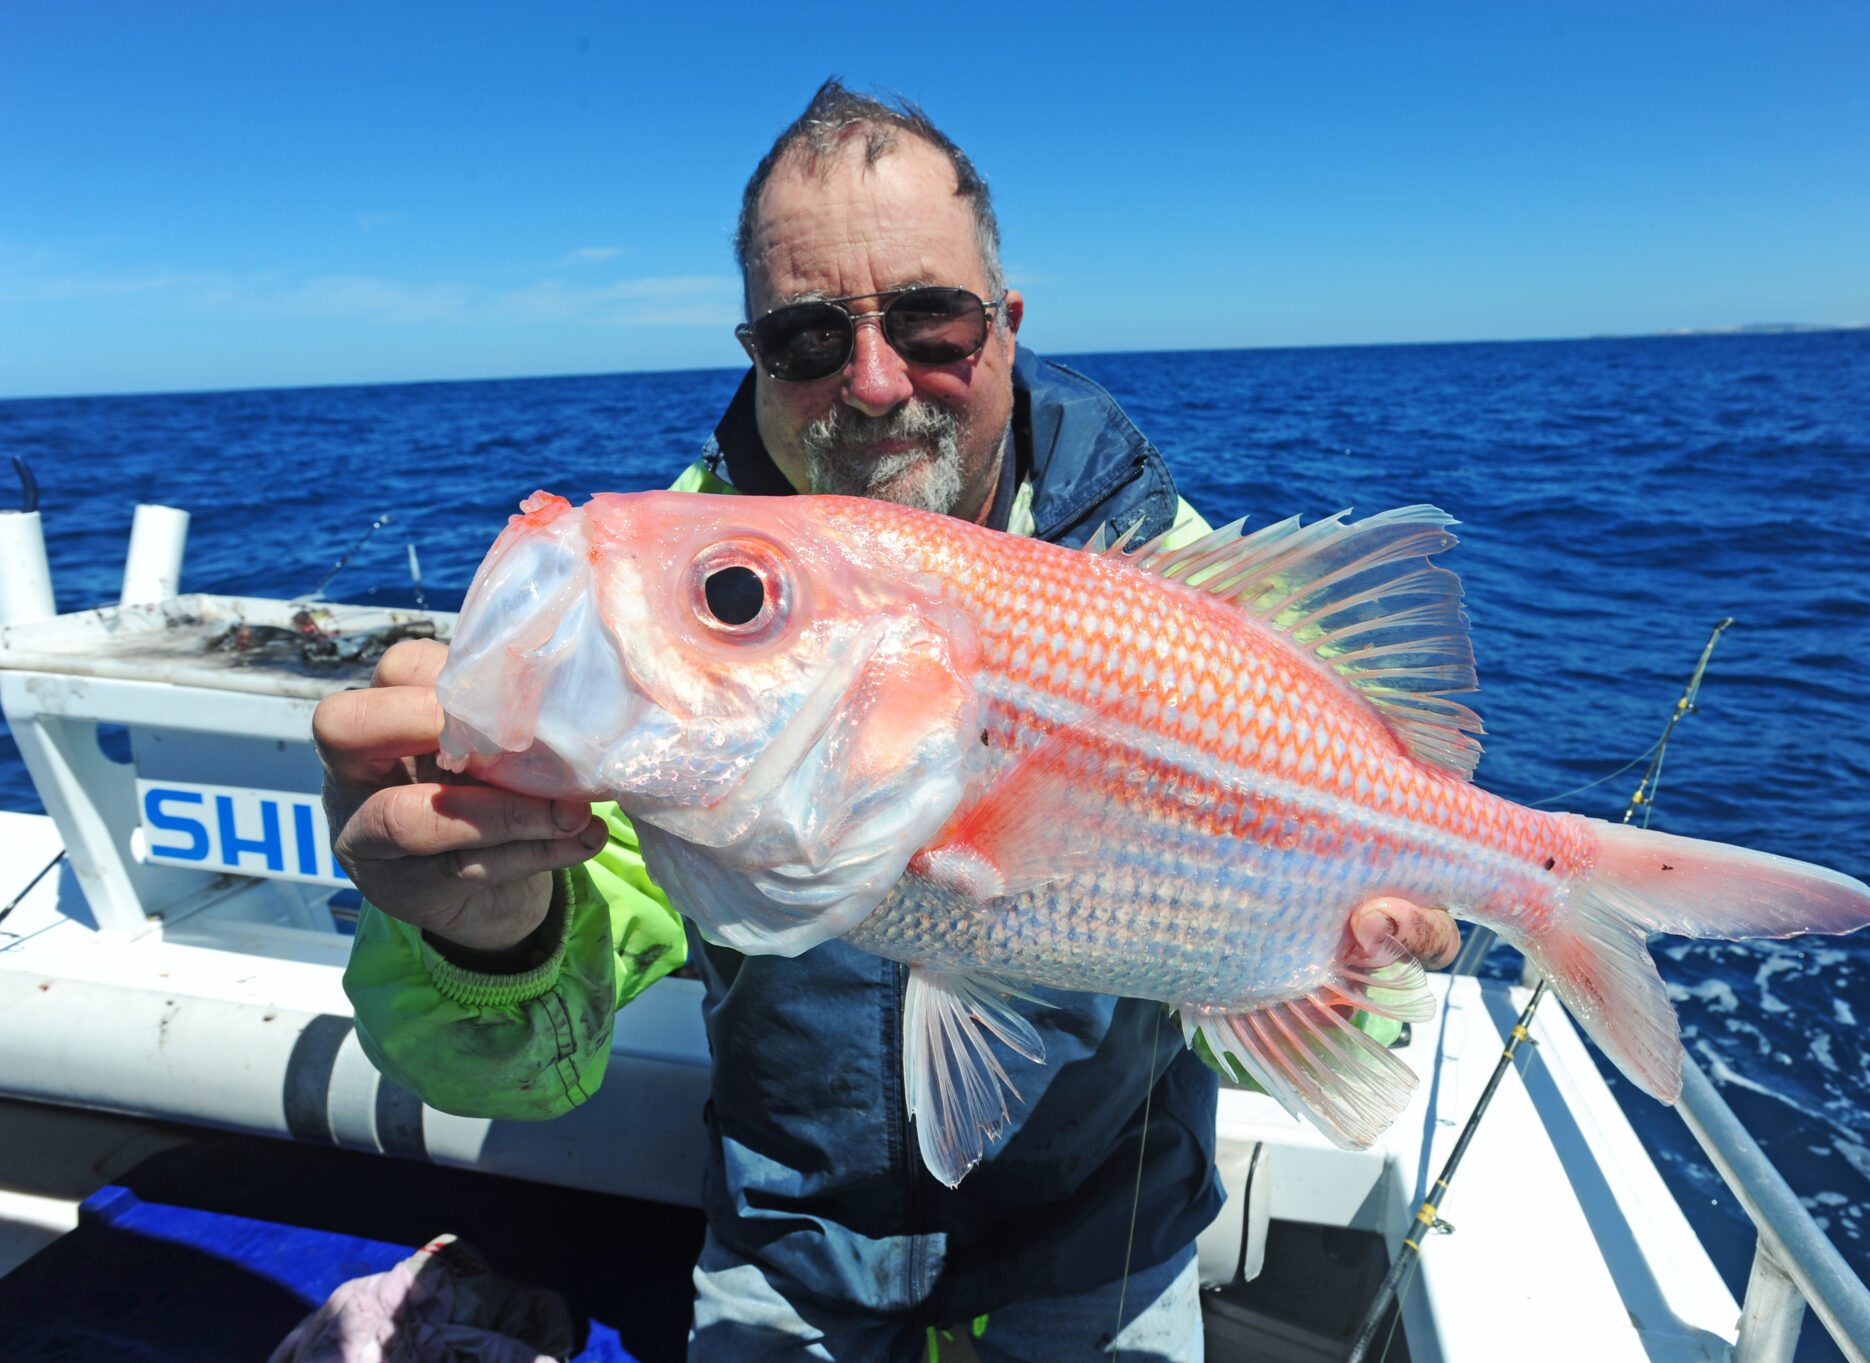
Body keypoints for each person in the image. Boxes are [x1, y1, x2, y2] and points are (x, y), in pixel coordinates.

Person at [319, 81, 1462, 1361]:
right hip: (791, 1252)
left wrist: (1355, 967)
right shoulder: (690, 634)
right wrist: (489, 935)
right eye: (807, 339)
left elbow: (1299, 1038)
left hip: (1105, 1249)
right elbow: (508, 1079)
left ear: (1005, 327)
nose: (872, 382)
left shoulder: (1179, 598)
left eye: (931, 320)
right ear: (752, 349)